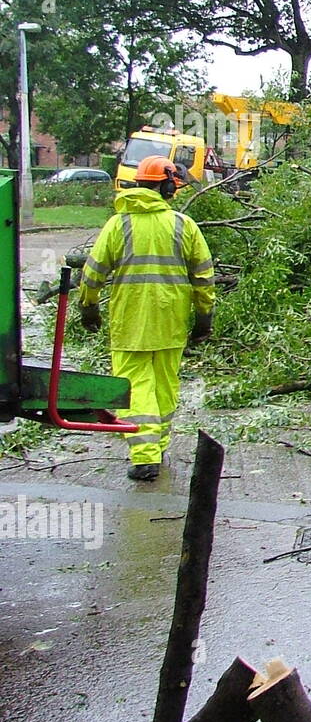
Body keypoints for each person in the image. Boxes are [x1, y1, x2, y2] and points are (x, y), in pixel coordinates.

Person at [78, 156, 215, 480]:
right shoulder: (183, 225)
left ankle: (144, 457)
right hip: (171, 321)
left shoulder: (119, 225)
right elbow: (204, 276)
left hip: (131, 323)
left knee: (135, 388)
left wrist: (89, 307)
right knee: (165, 387)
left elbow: (93, 273)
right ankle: (157, 447)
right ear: (166, 187)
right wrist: (204, 316)